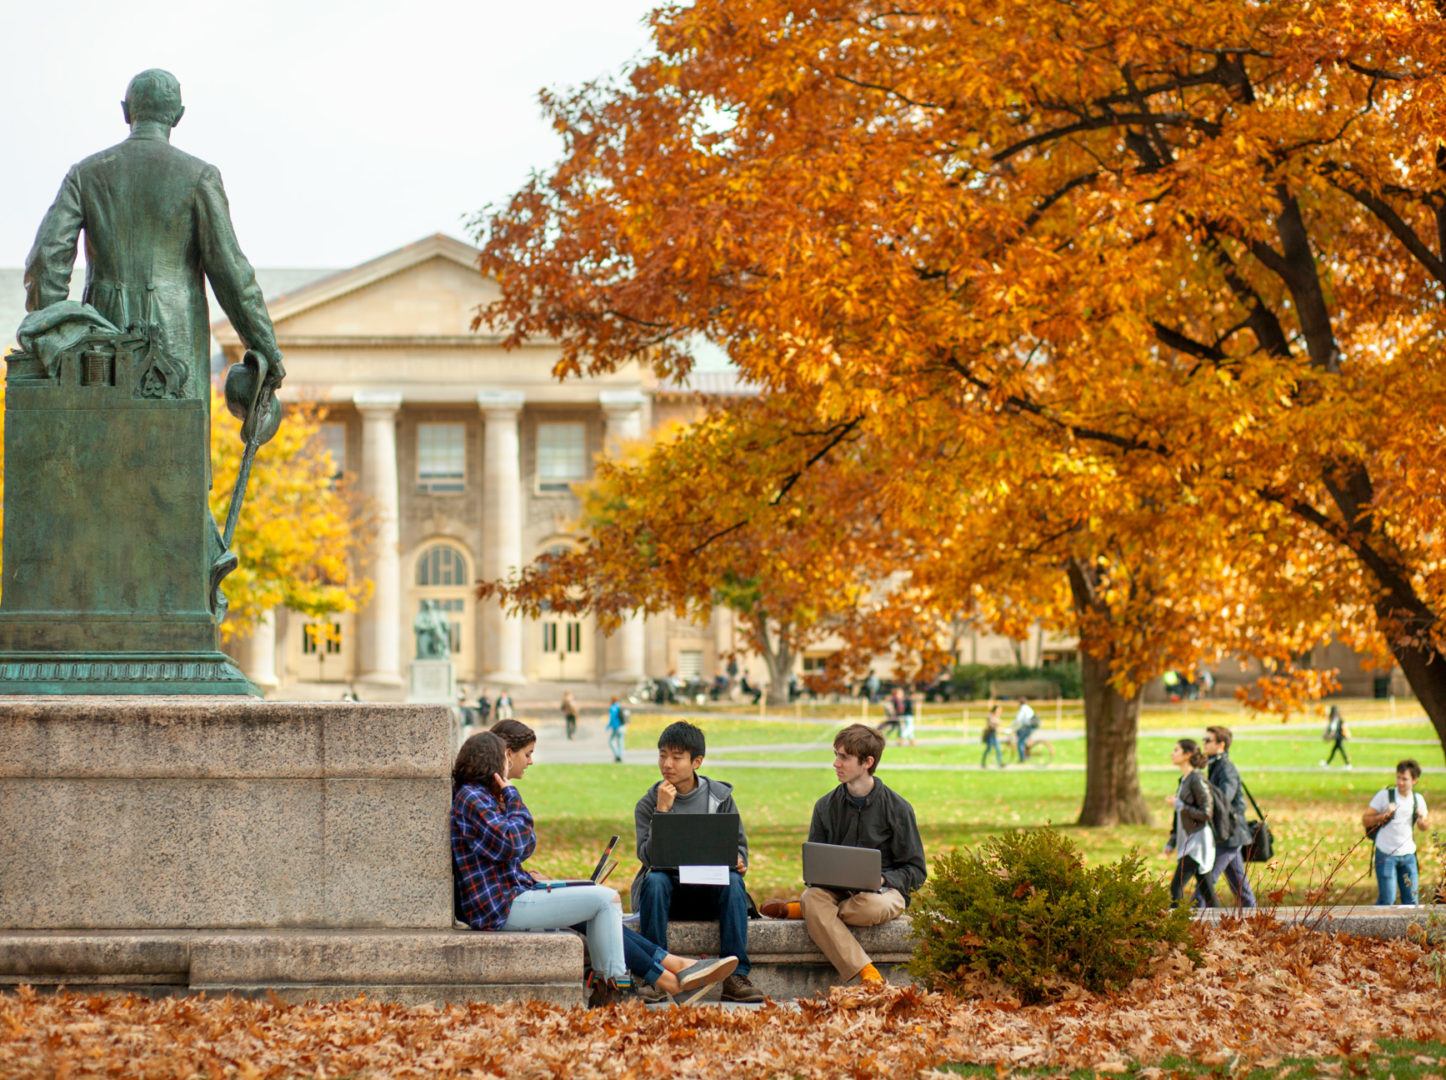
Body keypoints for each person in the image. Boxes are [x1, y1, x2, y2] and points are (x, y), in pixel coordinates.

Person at [23, 69, 285, 614]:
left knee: (99, 470)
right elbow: (232, 274)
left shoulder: (87, 173)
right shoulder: (198, 176)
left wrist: (56, 333)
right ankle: (180, 600)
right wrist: (265, 347)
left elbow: (47, 261)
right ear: (179, 117)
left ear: (126, 111)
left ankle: (102, 602)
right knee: (174, 470)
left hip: (101, 344)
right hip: (175, 343)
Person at [450, 730, 737, 1006]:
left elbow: (519, 848)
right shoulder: (473, 798)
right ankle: (638, 983)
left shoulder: (480, 798)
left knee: (596, 903)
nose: (511, 764)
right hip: (500, 908)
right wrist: (513, 797)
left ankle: (663, 979)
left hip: (509, 898)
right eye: (505, 758)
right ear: (492, 762)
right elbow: (515, 843)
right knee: (605, 899)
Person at [761, 724, 926, 987]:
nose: (835, 763)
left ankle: (809, 913)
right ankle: (866, 972)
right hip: (836, 891)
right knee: (812, 897)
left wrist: (883, 880)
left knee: (870, 907)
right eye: (836, 755)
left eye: (844, 757)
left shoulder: (898, 808)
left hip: (883, 894)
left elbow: (916, 871)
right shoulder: (825, 806)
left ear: (867, 762)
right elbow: (815, 866)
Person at [632, 722, 766, 1004]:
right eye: (662, 755)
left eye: (676, 757)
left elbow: (739, 847)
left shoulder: (720, 799)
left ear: (697, 762)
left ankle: (736, 977)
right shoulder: (649, 803)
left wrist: (740, 860)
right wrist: (662, 811)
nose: (667, 764)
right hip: (667, 893)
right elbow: (647, 857)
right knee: (654, 880)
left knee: (734, 882)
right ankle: (655, 977)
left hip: (709, 890)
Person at [1201, 726, 1256, 909]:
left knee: (1206, 881)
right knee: (1240, 887)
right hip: (1226, 832)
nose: (1204, 743)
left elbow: (1224, 797)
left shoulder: (1226, 768)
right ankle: (1254, 916)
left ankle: (1191, 918)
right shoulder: (1215, 765)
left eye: (1208, 740)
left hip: (1231, 833)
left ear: (1221, 745)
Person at [1363, 759, 1430, 905]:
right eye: (1398, 777)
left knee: (1411, 901)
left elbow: (1425, 826)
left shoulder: (1418, 799)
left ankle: (1409, 922)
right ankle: (1376, 920)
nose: (1400, 782)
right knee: (1387, 900)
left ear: (1414, 780)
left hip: (1408, 855)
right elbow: (1366, 820)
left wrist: (1421, 821)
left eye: (1404, 779)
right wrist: (1383, 816)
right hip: (1386, 854)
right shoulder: (1384, 796)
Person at [1164, 738, 1218, 908]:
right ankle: (1225, 922)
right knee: (1207, 891)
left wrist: (1180, 805)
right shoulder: (1184, 780)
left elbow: (1206, 813)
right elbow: (1179, 817)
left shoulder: (1196, 779)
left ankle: (1176, 922)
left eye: (1176, 750)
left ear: (1187, 755)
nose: (1172, 754)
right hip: (1188, 840)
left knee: (1176, 888)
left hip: (1197, 842)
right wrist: (1172, 841)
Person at [980, 703, 1005, 769]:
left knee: (998, 749)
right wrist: (997, 722)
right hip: (989, 735)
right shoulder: (990, 716)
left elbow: (997, 725)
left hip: (994, 735)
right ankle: (983, 762)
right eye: (998, 710)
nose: (999, 711)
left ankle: (1000, 763)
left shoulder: (997, 716)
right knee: (989, 749)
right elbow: (991, 724)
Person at [1013, 697, 1038, 763]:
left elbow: (1018, 719)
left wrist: (1011, 727)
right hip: (1032, 725)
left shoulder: (1023, 709)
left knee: (1020, 742)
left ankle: (1022, 758)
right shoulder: (1027, 707)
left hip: (1029, 726)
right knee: (1023, 739)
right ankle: (1027, 753)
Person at [606, 696, 626, 763]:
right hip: (622, 726)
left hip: (616, 727)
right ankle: (620, 755)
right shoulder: (619, 706)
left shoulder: (613, 708)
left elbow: (612, 718)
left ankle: (617, 755)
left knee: (611, 741)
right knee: (620, 742)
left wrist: (608, 726)